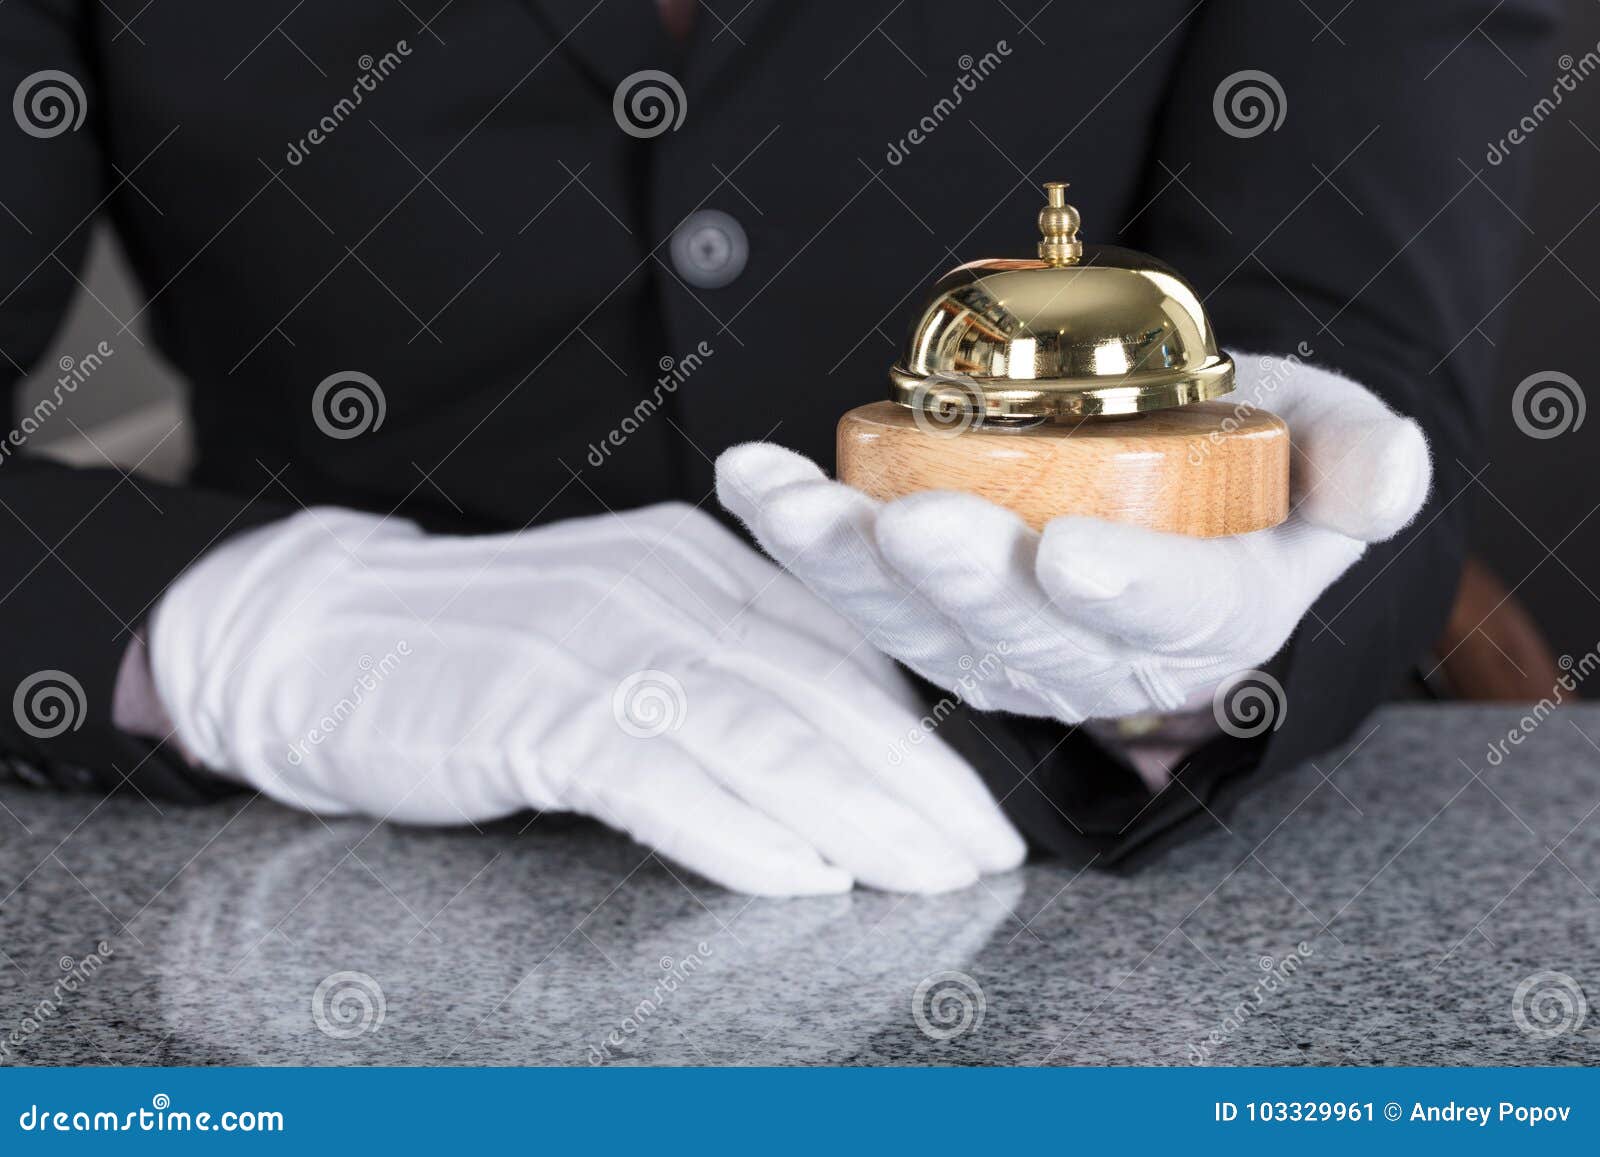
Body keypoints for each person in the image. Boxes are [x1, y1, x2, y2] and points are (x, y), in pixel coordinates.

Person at [0, 1, 1560, 894]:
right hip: (333, 849)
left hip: (1081, 865)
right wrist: (250, 625)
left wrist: (1208, 636)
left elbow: (1358, 358)